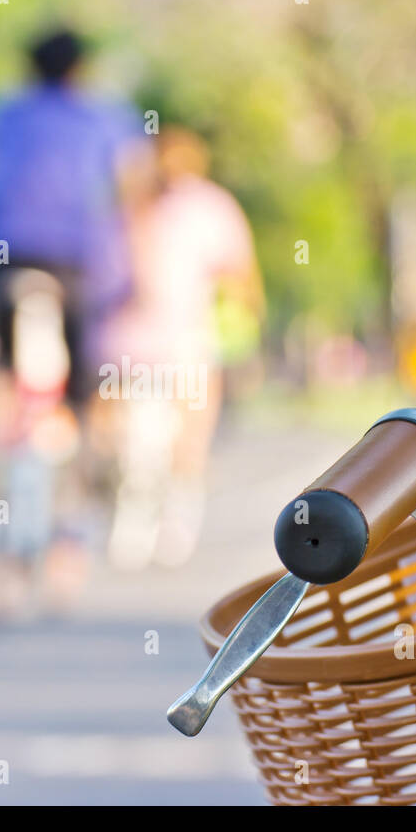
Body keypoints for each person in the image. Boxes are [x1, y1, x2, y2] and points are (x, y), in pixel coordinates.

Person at [0, 26, 149, 614]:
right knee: (81, 402)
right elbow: (129, 194)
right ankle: (83, 490)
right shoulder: (105, 118)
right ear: (80, 69)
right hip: (74, 271)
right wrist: (128, 277)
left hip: (3, 264)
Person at [104, 126, 264, 568]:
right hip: (141, 345)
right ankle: (141, 527)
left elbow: (238, 274)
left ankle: (172, 525)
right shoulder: (134, 208)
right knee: (140, 445)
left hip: (184, 342)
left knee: (180, 444)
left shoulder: (204, 206)